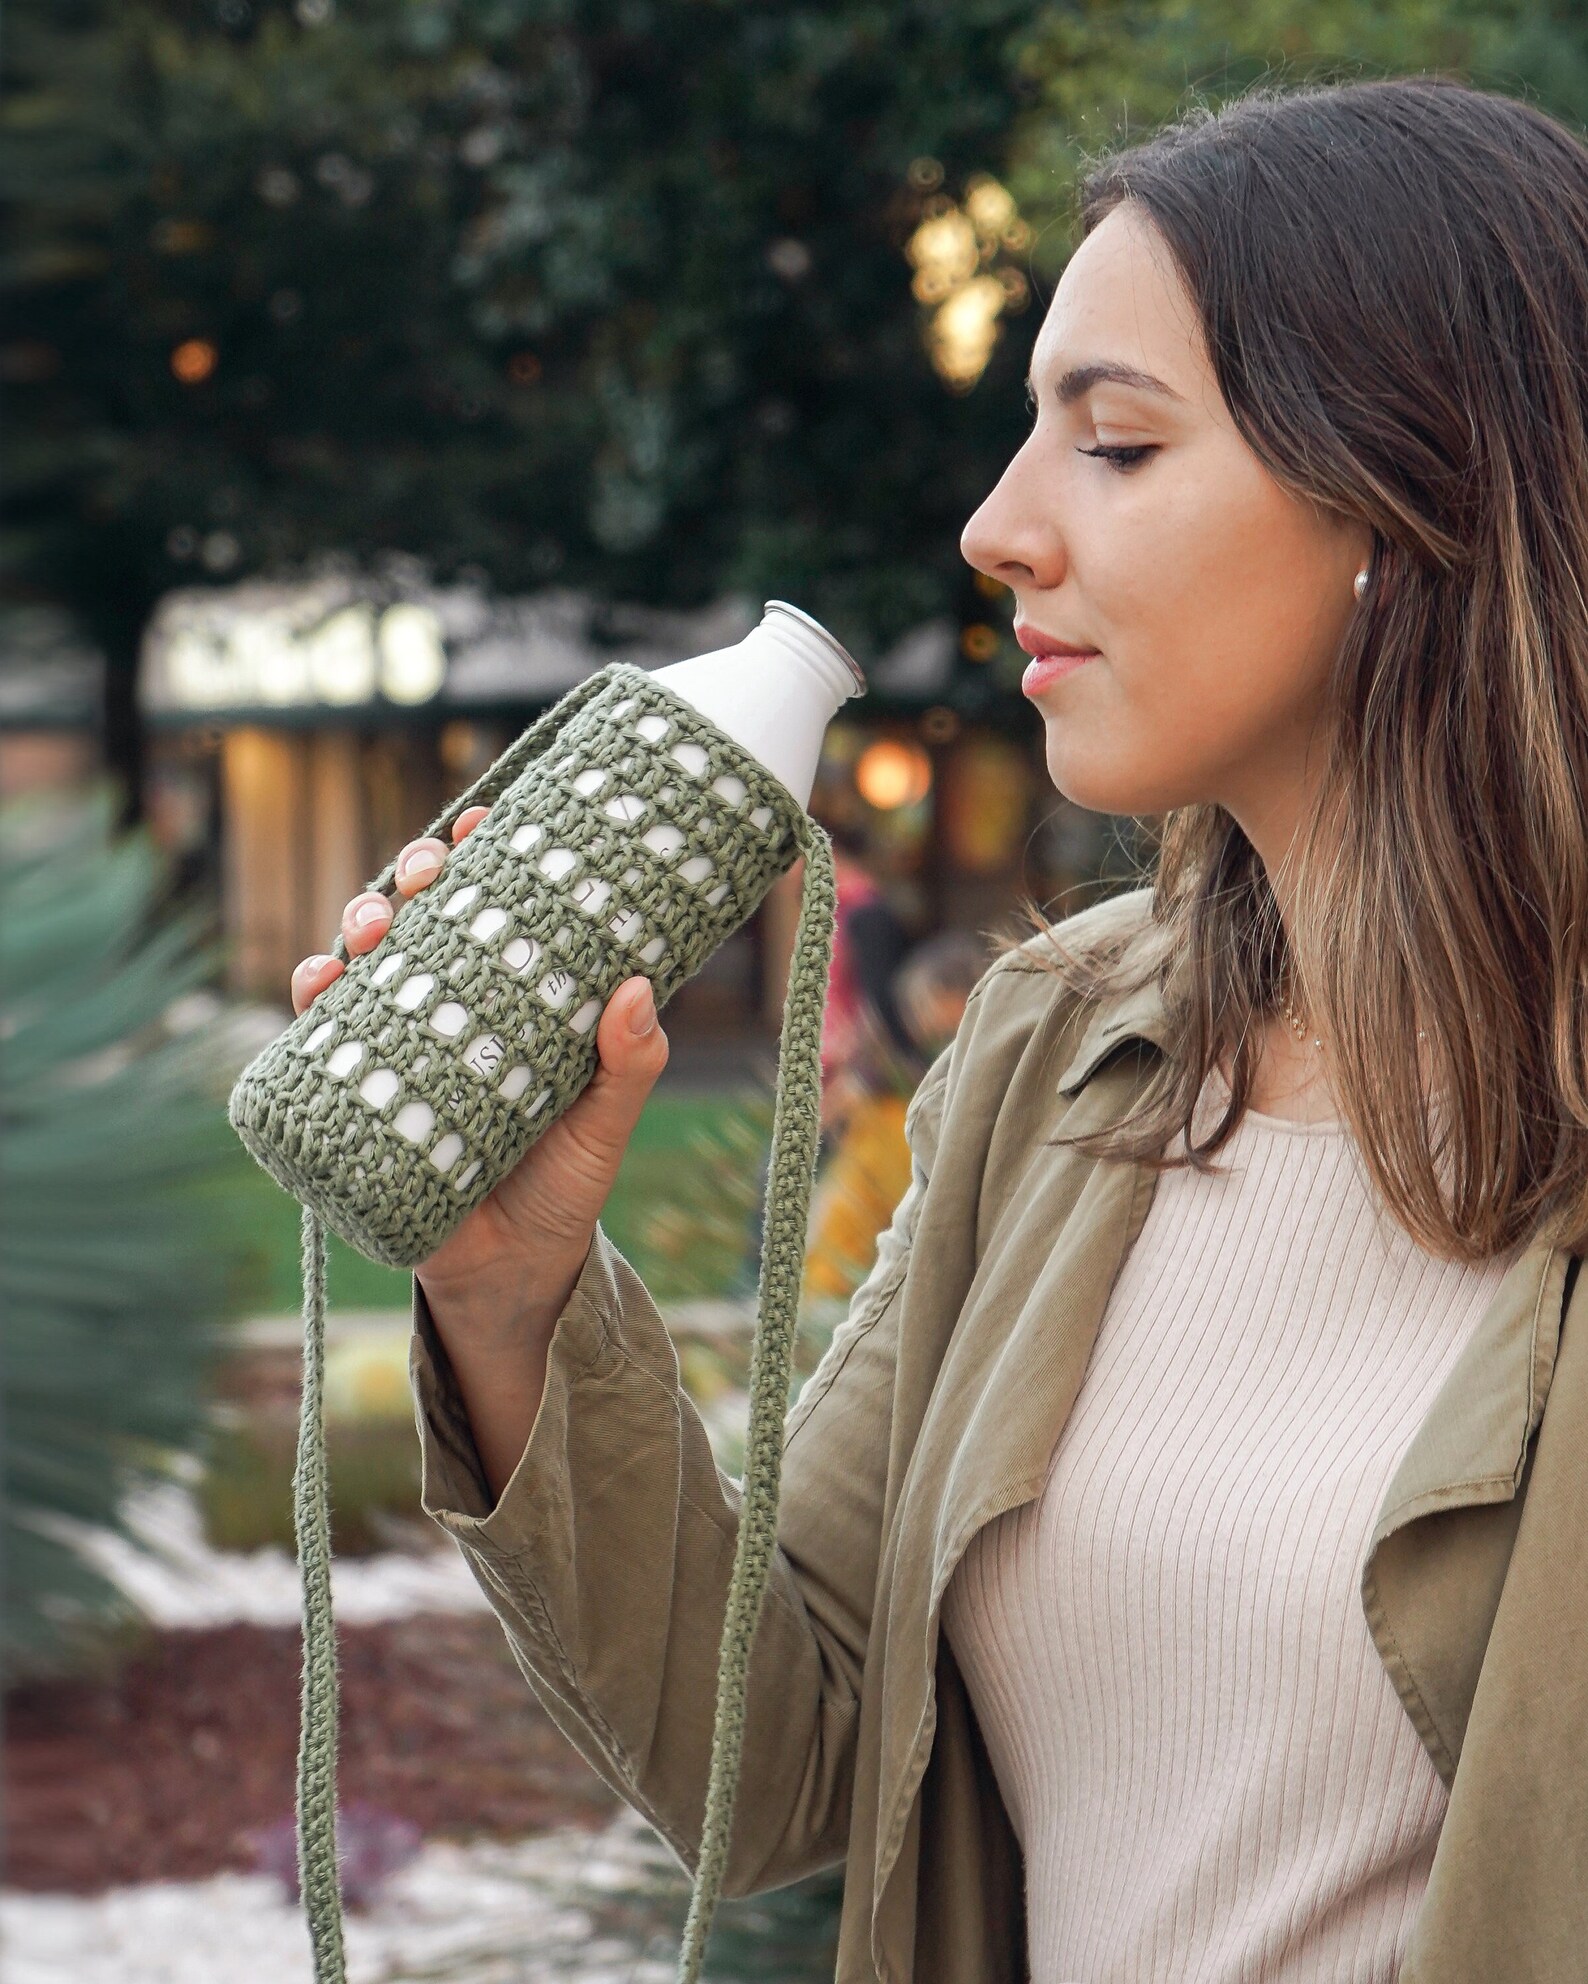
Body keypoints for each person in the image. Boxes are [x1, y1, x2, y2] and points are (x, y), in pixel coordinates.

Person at [291, 77, 1588, 1981]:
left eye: (1117, 444)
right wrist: (511, 1288)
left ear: (1412, 501)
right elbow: (783, 1750)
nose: (997, 529)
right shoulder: (1059, 1051)